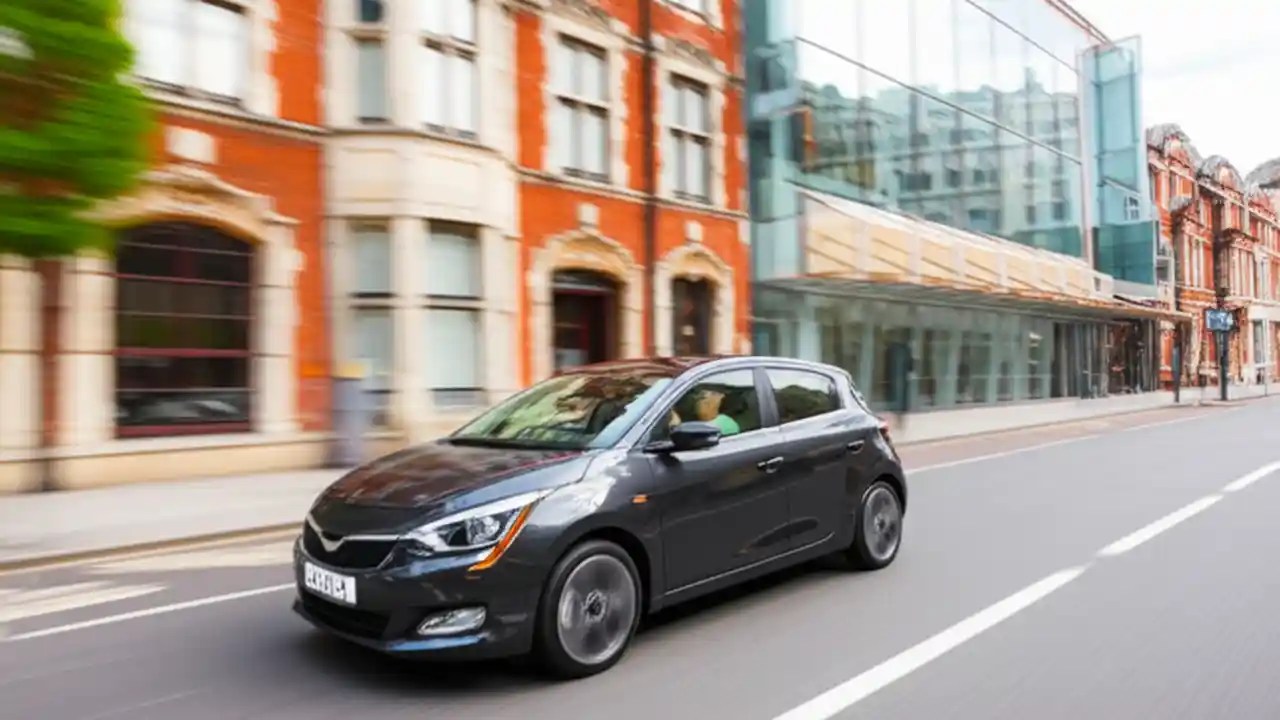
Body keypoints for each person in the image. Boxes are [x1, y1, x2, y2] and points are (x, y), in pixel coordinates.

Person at [668, 387, 740, 436]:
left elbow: (696, 440)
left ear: (717, 400)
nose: (697, 403)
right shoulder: (692, 421)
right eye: (696, 399)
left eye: (702, 398)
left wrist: (676, 427)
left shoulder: (726, 423)